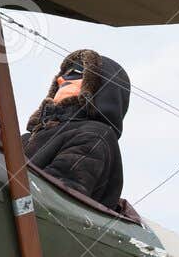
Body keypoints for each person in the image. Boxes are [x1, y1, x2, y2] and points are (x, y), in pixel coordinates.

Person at [22, 49, 130, 209]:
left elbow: (56, 197)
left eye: (74, 73)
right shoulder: (26, 138)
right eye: (62, 74)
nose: (60, 79)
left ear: (96, 87)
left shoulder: (94, 135)